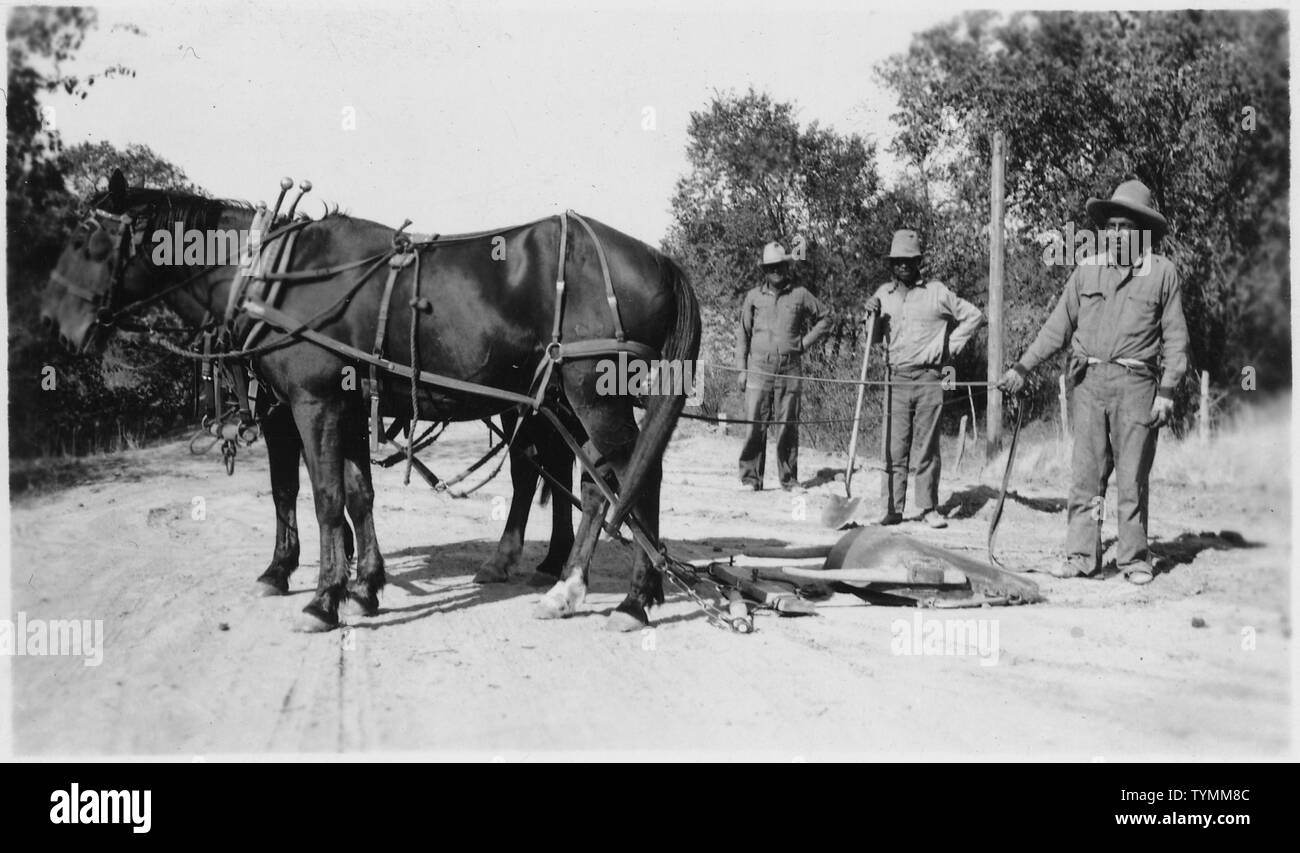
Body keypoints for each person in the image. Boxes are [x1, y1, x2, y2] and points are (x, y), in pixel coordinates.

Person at [998, 179, 1189, 584]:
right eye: (1113, 226)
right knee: (1086, 476)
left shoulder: (1162, 273)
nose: (1118, 233)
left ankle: (1134, 559)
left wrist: (1167, 392)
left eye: (1128, 226)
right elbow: (1056, 327)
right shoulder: (1086, 271)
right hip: (1088, 384)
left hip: (1138, 385)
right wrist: (1021, 368)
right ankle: (1082, 556)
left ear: (1143, 232)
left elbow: (1176, 339)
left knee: (1132, 477)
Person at [864, 229, 983, 527]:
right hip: (896, 379)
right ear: (892, 263)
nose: (904, 265)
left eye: (910, 260)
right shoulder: (882, 295)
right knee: (893, 446)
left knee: (927, 445)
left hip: (931, 378)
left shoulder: (936, 292)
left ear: (918, 262)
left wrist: (948, 349)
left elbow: (974, 316)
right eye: (898, 260)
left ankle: (929, 507)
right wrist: (871, 316)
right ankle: (892, 508)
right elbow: (873, 339)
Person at [736, 241, 831, 491]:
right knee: (754, 424)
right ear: (764, 270)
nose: (776, 271)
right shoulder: (753, 297)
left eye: (780, 266)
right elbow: (743, 335)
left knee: (787, 425)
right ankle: (750, 478)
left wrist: (803, 343)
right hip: (758, 368)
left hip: (790, 369)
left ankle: (789, 480)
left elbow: (825, 318)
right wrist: (742, 370)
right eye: (771, 267)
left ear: (787, 267)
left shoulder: (800, 294)